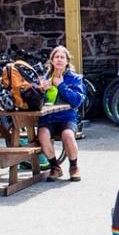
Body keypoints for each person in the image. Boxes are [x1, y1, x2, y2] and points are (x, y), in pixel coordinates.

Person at [35, 45, 88, 182]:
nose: (59, 60)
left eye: (62, 57)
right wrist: (40, 90)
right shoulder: (44, 78)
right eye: (56, 57)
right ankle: (55, 167)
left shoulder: (75, 79)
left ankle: (74, 166)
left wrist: (61, 85)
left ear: (67, 61)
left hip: (66, 117)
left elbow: (76, 101)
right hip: (48, 118)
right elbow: (34, 101)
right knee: (43, 135)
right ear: (52, 61)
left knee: (68, 135)